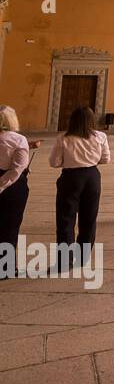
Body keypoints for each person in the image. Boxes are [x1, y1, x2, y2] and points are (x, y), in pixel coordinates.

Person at [48, 106, 110, 266]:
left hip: (70, 177)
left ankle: (64, 260)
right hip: (92, 177)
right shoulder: (100, 136)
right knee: (89, 218)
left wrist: (69, 160)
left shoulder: (63, 138)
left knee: (65, 219)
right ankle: (83, 257)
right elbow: (105, 159)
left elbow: (54, 162)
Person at [0, 106, 37, 279]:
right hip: (13, 189)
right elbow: (16, 169)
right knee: (9, 227)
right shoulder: (19, 139)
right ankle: (5, 267)